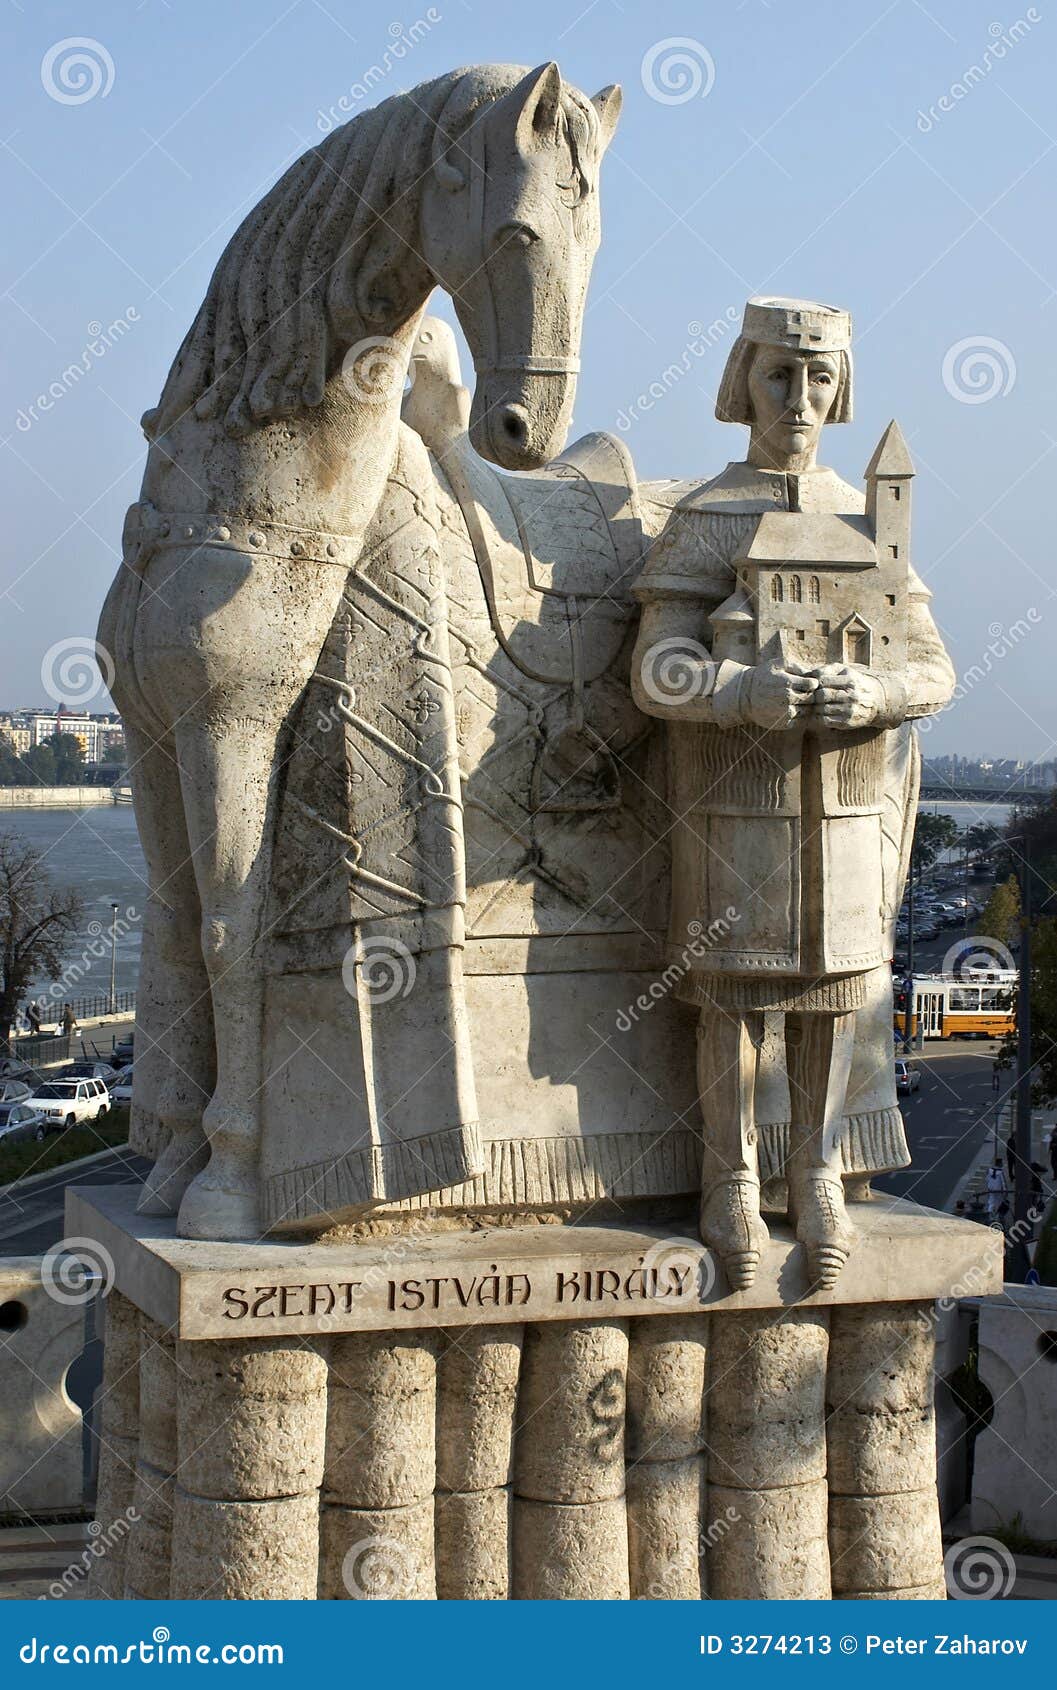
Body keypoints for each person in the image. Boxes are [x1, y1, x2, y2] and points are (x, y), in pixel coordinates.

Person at [631, 296, 954, 1289]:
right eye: (780, 375)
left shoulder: (869, 528)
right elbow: (655, 669)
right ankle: (727, 1179)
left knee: (829, 997)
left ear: (842, 388)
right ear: (743, 380)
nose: (800, 398)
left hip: (848, 815)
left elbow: (933, 668)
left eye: (819, 379)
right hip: (737, 816)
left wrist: (879, 688)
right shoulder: (707, 517)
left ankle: (814, 1172)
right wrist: (746, 693)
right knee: (733, 997)